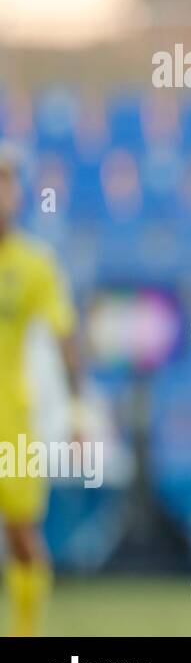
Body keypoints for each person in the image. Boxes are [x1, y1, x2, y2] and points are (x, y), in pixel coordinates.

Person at [0, 144, 84, 636]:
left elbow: (65, 338)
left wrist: (75, 415)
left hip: (12, 419)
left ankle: (26, 632)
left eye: (6, 183)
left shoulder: (35, 264)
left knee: (21, 534)